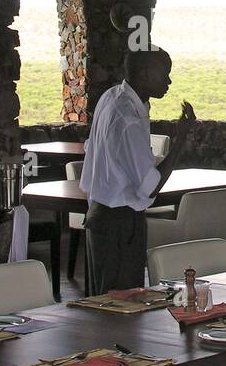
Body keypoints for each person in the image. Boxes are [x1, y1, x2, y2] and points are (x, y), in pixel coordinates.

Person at [79, 48, 195, 293]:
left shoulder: (112, 97)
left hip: (102, 215)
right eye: (164, 74)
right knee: (121, 304)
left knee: (107, 301)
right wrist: (180, 140)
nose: (169, 81)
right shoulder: (127, 118)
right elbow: (149, 187)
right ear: (145, 74)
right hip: (119, 222)